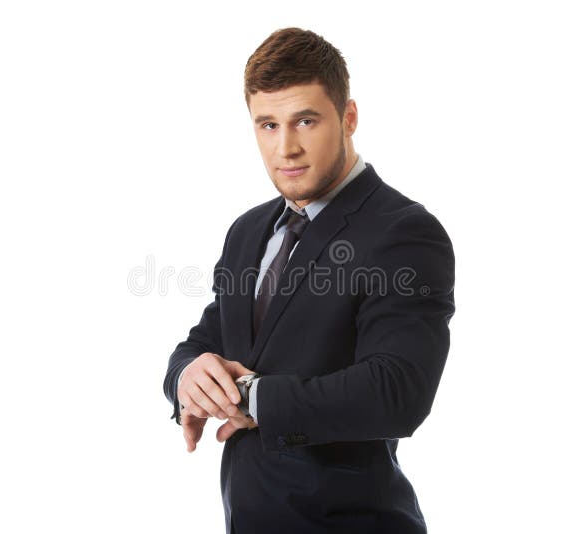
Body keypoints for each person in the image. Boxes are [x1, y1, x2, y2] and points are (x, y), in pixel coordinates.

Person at [163, 27, 456, 534]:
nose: (287, 148)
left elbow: (398, 391)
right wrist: (186, 378)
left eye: (305, 120)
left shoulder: (404, 231)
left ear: (349, 118)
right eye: (268, 125)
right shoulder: (249, 230)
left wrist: (251, 398)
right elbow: (209, 339)